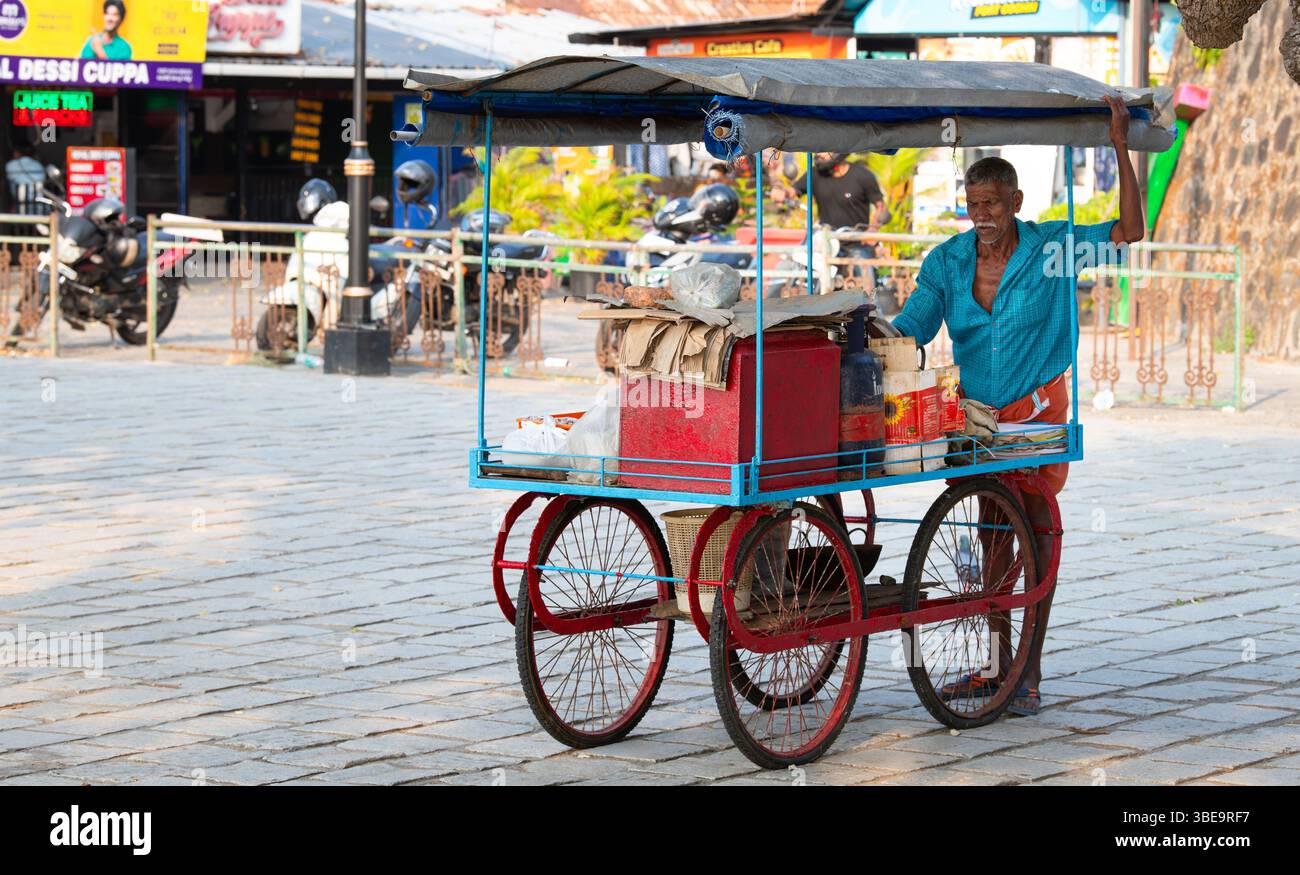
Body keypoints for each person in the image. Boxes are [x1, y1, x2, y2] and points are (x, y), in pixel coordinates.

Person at [891, 95, 1144, 717]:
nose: (981, 216)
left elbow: (1130, 232)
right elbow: (911, 328)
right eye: (972, 206)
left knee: (1035, 538)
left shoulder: (1052, 248)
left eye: (992, 205)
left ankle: (1027, 674)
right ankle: (999, 670)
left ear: (1016, 204)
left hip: (1037, 418)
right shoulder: (947, 262)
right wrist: (858, 335)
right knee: (992, 542)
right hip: (978, 423)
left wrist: (1118, 144)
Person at [773, 152, 888, 286]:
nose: (818, 154)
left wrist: (871, 232)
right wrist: (781, 192)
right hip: (825, 242)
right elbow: (792, 191)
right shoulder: (815, 174)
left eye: (824, 150)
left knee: (866, 277)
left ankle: (874, 305)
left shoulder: (862, 175)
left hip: (855, 242)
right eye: (818, 150)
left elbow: (881, 207)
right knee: (788, 264)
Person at [5, 143, 45, 215]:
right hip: (38, 209)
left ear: (18, 152)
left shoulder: (11, 165)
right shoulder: (39, 166)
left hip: (19, 208)